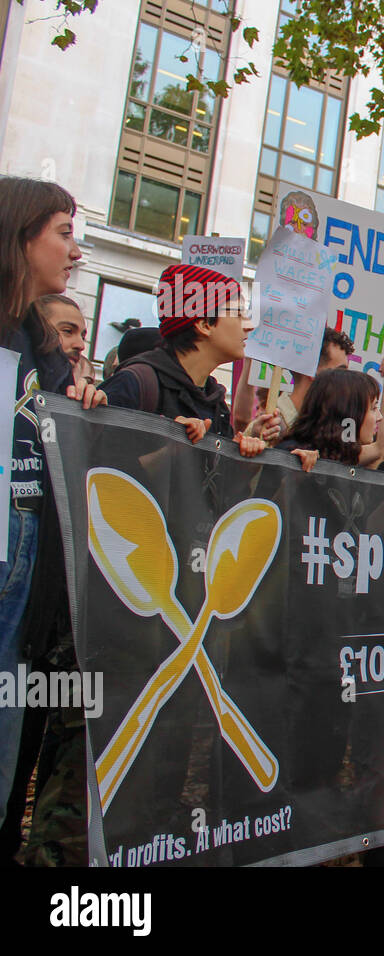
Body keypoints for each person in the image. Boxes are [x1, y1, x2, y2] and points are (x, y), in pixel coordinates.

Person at [0, 177, 104, 840]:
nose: (76, 251)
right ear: (21, 232)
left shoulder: (39, 349)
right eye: (64, 233)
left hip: (24, 565)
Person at [98, 264, 267, 455]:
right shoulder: (133, 384)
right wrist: (170, 450)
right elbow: (93, 466)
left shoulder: (215, 401)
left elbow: (214, 481)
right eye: (237, 313)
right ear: (204, 324)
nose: (249, 325)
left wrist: (246, 457)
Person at [275, 368, 382, 469]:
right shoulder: (294, 455)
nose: (379, 417)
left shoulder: (345, 458)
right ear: (347, 412)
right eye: (373, 408)